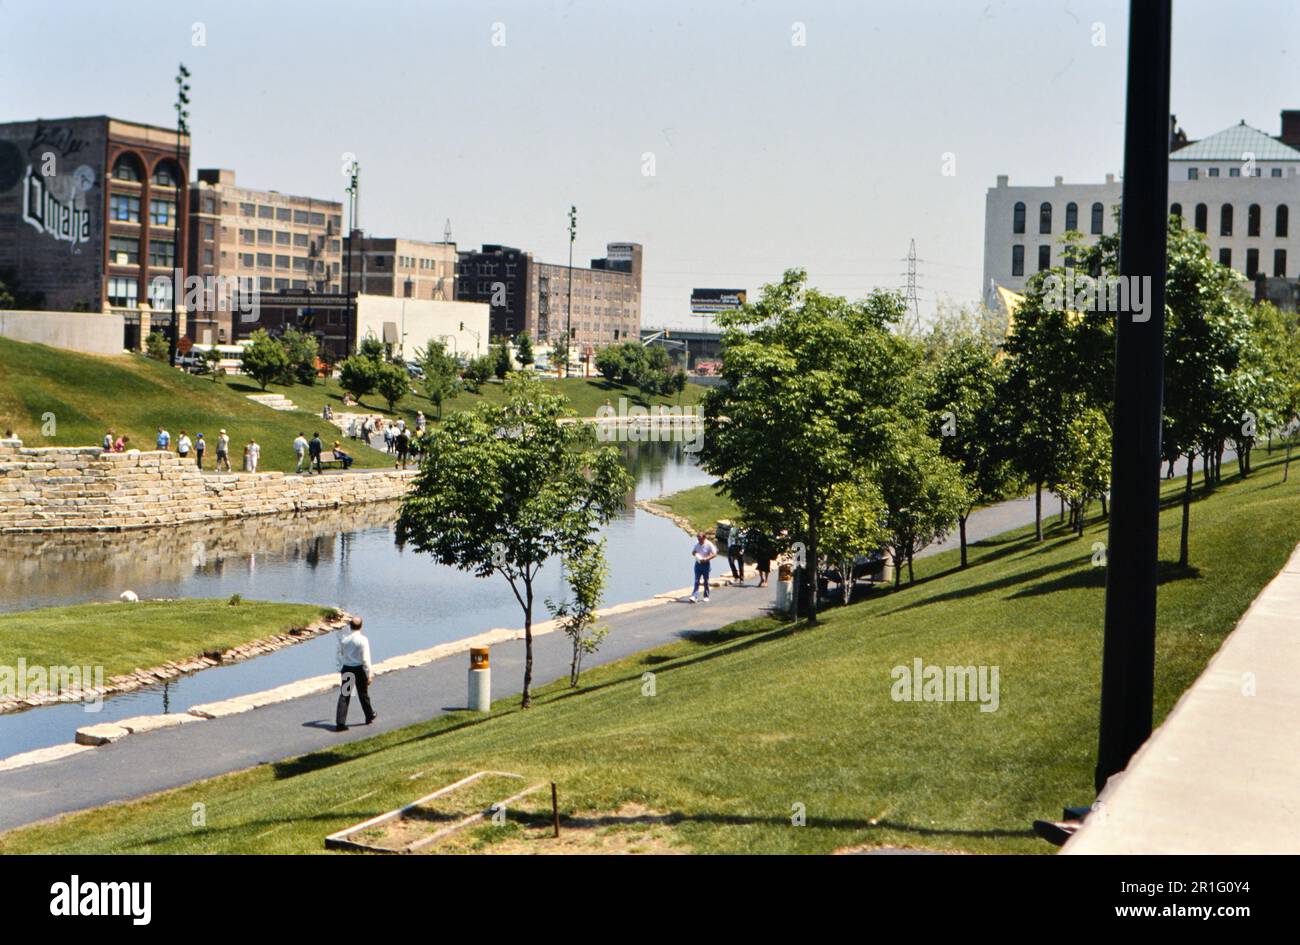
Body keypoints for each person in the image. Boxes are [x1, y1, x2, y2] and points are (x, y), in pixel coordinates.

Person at [334, 616, 376, 731]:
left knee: (345, 695)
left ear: (350, 626)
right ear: (361, 626)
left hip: (347, 669)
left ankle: (340, 723)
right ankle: (369, 716)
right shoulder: (363, 640)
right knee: (363, 694)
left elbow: (342, 654)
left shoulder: (344, 640)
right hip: (358, 669)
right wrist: (369, 674)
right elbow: (366, 659)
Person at [689, 531, 717, 603]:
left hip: (706, 564)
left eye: (700, 539)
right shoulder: (697, 544)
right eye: (698, 539)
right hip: (698, 564)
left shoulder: (709, 544)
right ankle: (694, 596)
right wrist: (696, 554)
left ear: (704, 538)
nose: (699, 540)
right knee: (696, 580)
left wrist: (707, 558)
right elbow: (693, 552)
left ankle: (706, 596)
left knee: (706, 581)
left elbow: (714, 554)